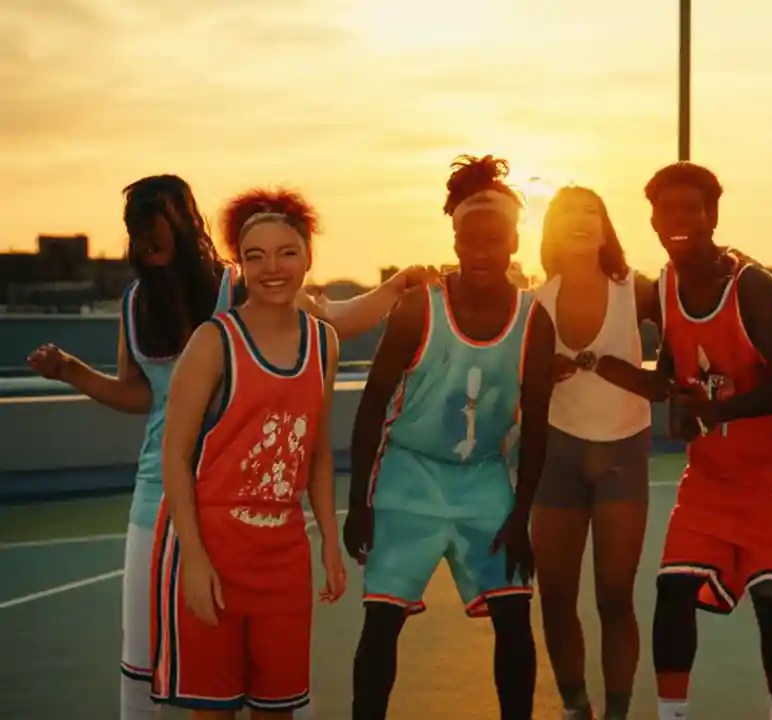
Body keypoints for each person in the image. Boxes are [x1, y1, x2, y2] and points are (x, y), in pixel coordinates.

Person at [23, 174, 424, 720]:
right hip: (168, 497)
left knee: (277, 694)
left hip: (260, 521)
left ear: (188, 223)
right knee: (147, 669)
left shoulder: (242, 288)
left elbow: (327, 330)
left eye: (158, 220)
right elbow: (141, 396)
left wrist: (396, 288)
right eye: (138, 226)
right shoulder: (139, 304)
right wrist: (71, 371)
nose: (148, 236)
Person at [344, 154, 556, 720]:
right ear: (454, 239)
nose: (481, 252)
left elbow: (536, 424)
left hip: (484, 479)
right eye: (469, 239)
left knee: (514, 617)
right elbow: (370, 409)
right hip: (407, 477)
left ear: (515, 243)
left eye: (495, 241)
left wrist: (522, 515)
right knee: (382, 622)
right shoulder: (419, 308)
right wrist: (357, 503)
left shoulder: (535, 320)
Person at [625, 162, 772, 720]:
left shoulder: (751, 285)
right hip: (712, 472)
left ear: (713, 215)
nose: (680, 220)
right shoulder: (663, 285)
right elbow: (673, 366)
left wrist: (716, 409)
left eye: (692, 209)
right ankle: (672, 715)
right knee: (674, 588)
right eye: (668, 211)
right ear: (654, 220)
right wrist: (598, 368)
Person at [149, 188, 346, 718]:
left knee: (277, 709)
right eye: (254, 256)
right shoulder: (214, 341)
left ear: (308, 256)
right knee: (212, 711)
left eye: (286, 252)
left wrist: (329, 539)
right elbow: (175, 455)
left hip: (282, 551)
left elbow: (318, 453)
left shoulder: (324, 342)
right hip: (211, 545)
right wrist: (192, 557)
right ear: (239, 264)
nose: (272, 268)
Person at [530, 186, 656, 720]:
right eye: (566, 213)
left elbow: (674, 376)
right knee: (556, 596)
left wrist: (634, 375)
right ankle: (576, 705)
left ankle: (618, 713)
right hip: (557, 455)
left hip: (622, 455)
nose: (580, 220)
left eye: (591, 212)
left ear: (606, 229)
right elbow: (517, 387)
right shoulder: (535, 303)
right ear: (550, 231)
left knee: (613, 596)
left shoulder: (640, 291)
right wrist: (542, 374)